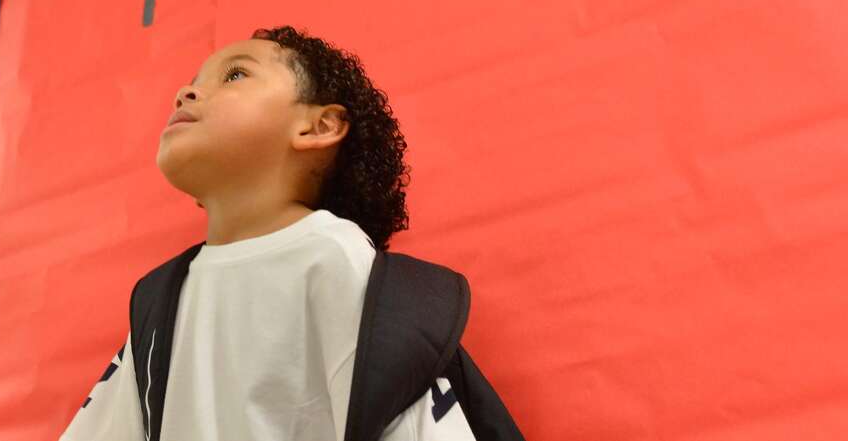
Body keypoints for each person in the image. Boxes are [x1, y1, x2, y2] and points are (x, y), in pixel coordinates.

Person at [59, 25, 524, 441]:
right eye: (193, 83)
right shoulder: (159, 297)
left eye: (235, 75)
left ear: (318, 126)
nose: (186, 93)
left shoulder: (333, 256)